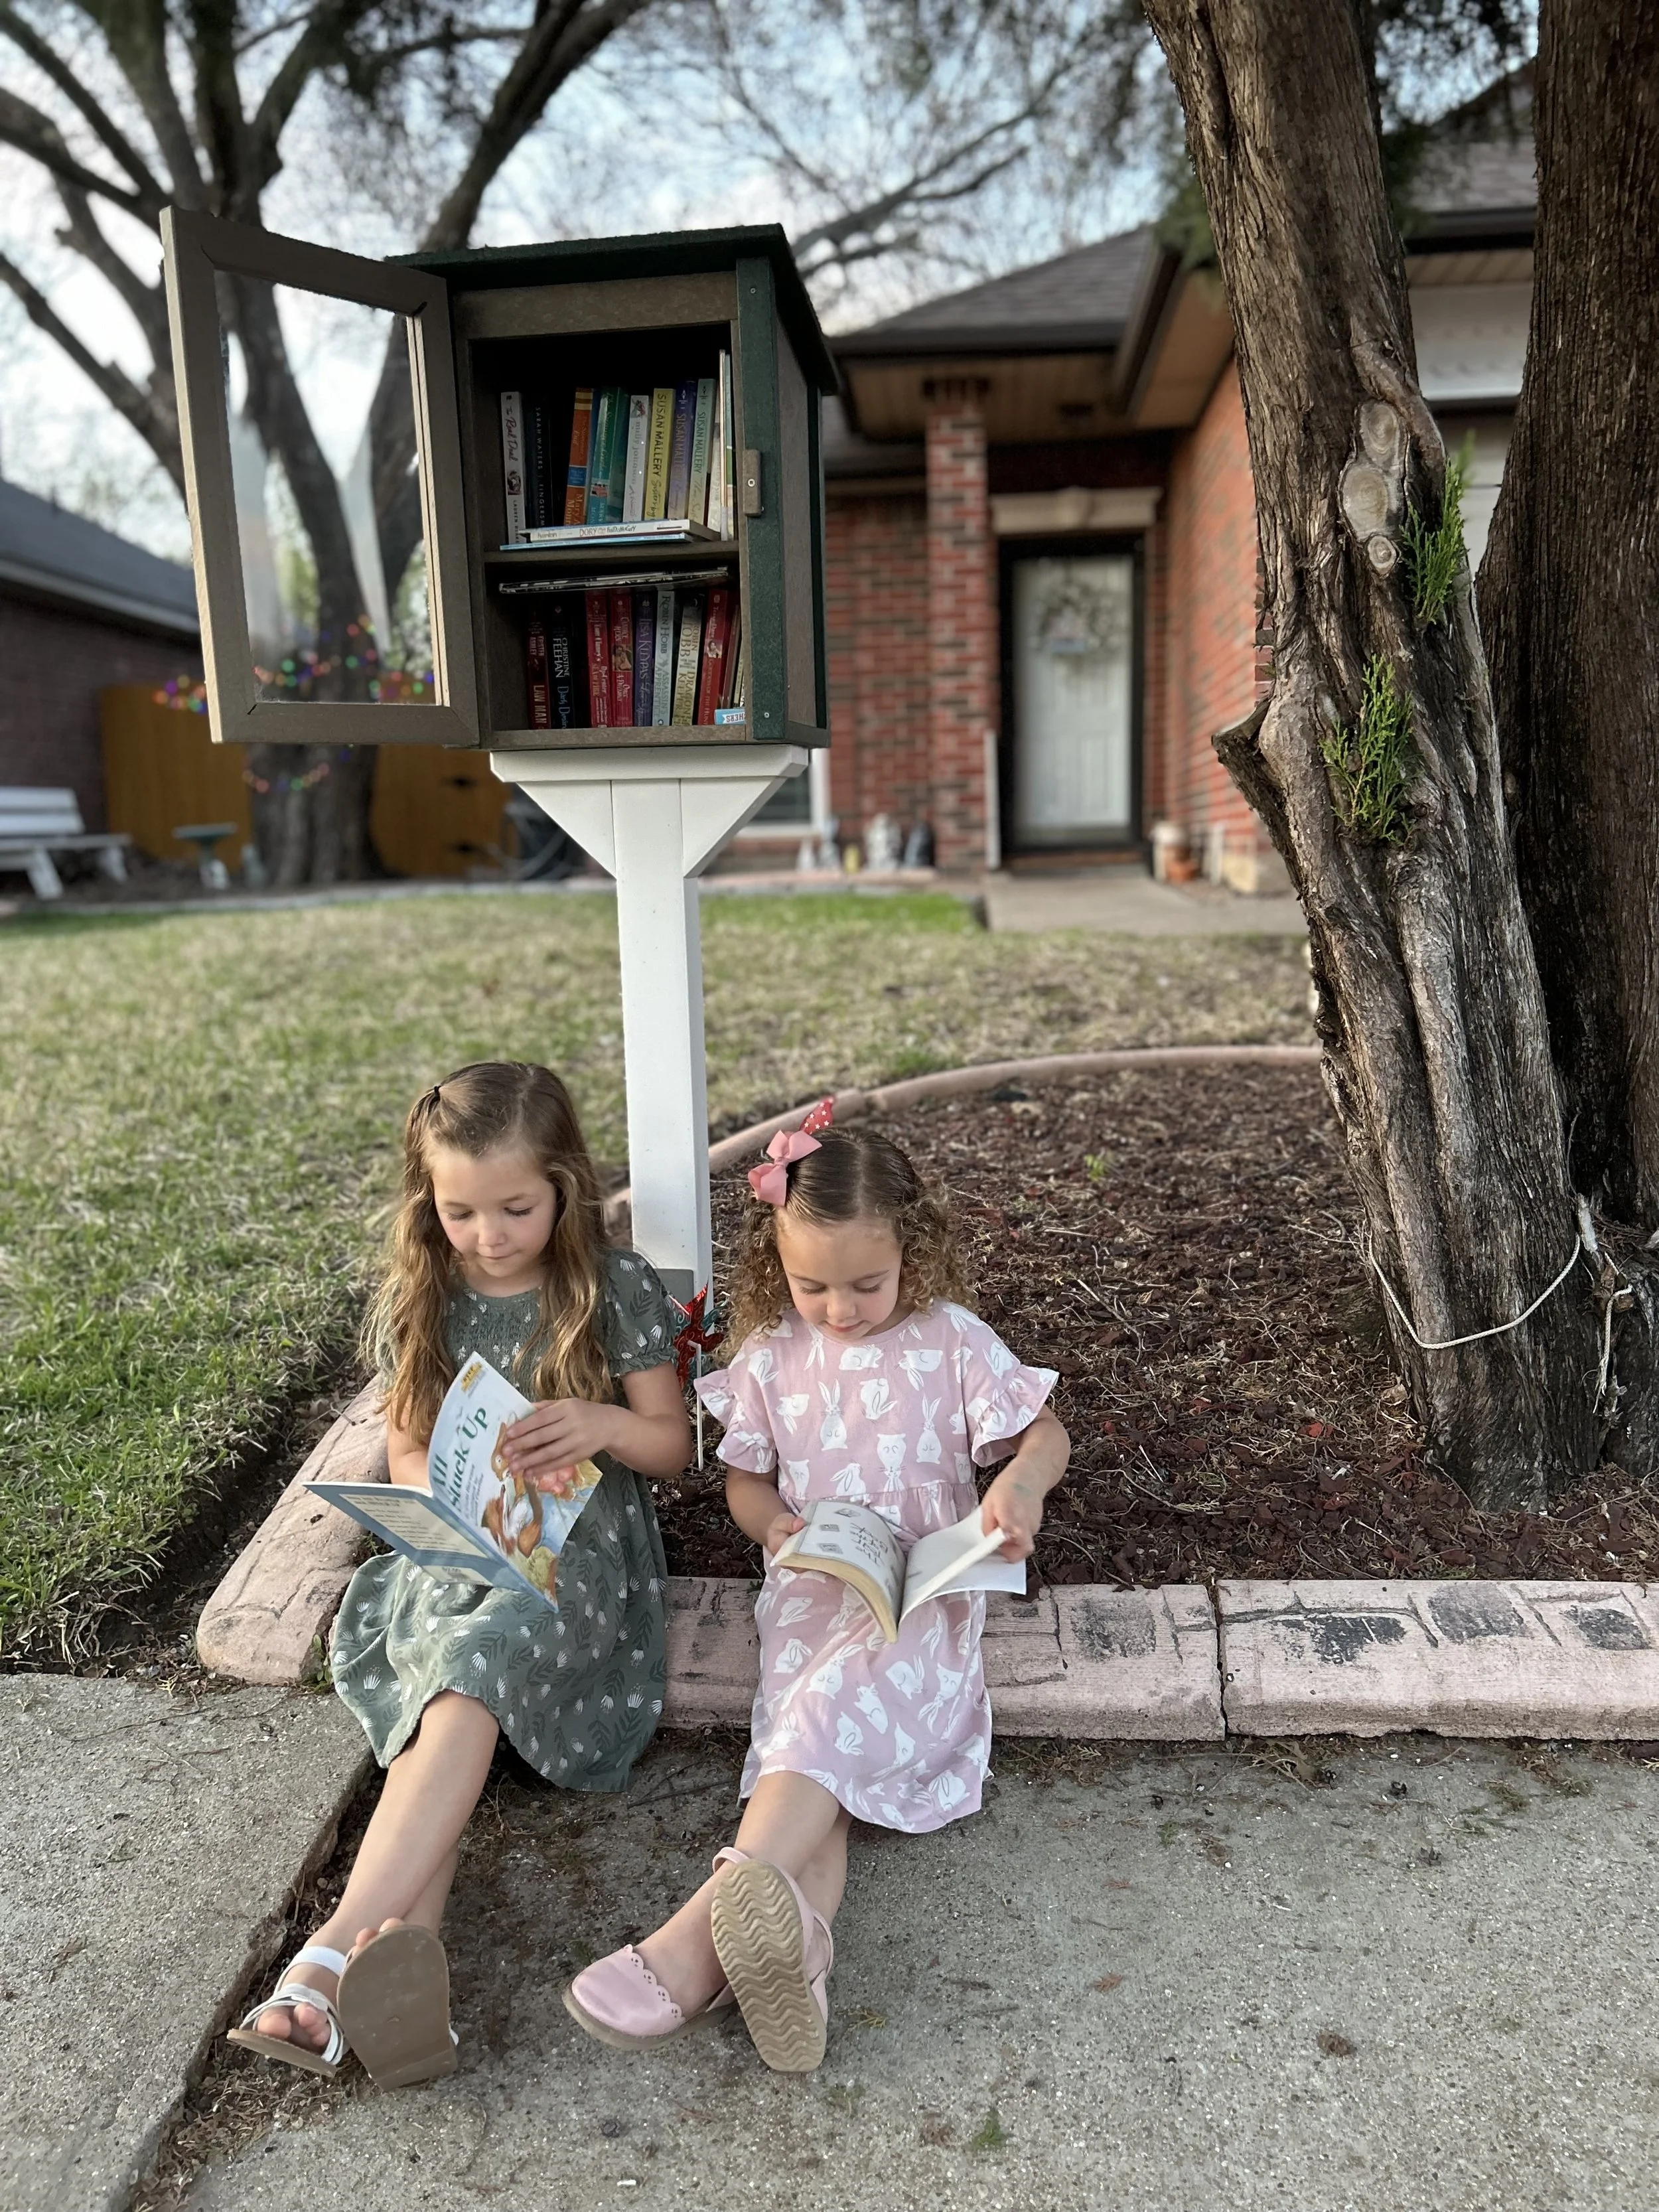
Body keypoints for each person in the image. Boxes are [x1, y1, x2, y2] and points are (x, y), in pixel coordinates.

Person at [564, 1108, 1070, 2073]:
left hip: (919, 1602)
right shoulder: (772, 1356)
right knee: (815, 1763)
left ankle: (690, 1941)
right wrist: (773, 1527)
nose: (839, 1308)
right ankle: (797, 1954)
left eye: (867, 1284)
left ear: (912, 1254)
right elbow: (746, 1481)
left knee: (820, 1726)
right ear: (777, 1268)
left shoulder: (951, 1342)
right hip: (809, 1595)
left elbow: (1046, 1437)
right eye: (811, 1286)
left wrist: (1019, 1482)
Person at [229, 1061, 689, 2087]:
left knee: (474, 1660)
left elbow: (672, 1447)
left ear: (566, 1186)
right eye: (460, 1211)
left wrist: (606, 1420)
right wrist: (438, 1496)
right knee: (451, 1662)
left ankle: (333, 1948)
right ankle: (391, 1970)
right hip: (458, 1543)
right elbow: (403, 1449)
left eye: (516, 1208)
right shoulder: (425, 1292)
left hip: (577, 1554)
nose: (488, 1235)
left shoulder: (612, 1286)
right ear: (427, 1203)